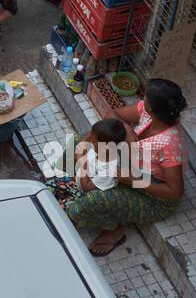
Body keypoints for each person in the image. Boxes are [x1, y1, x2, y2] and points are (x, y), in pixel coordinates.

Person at [65, 78, 187, 256]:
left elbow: (175, 192)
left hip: (154, 197)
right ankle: (70, 176)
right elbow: (113, 114)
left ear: (152, 107)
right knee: (82, 140)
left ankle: (115, 230)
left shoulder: (169, 144)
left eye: (145, 97)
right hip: (130, 165)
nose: (142, 99)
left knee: (94, 199)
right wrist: (127, 129)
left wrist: (131, 181)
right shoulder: (147, 114)